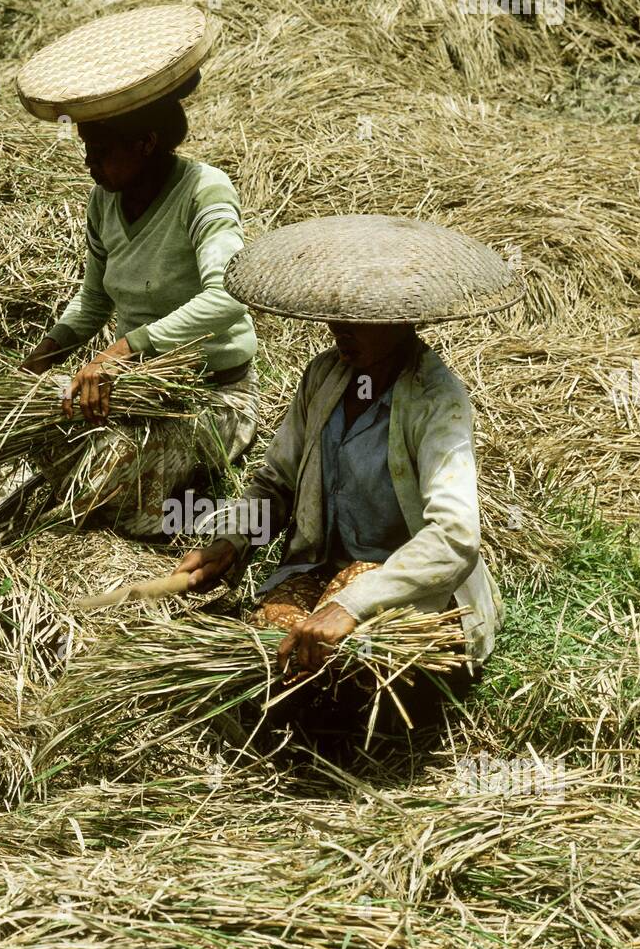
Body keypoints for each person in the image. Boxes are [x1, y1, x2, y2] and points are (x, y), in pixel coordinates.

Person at [173, 214, 523, 690]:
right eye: (338, 312)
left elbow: (455, 536)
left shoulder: (435, 401)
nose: (341, 328)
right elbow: (276, 484)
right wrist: (233, 541)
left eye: (362, 317)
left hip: (404, 587)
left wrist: (351, 604)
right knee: (268, 652)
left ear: (403, 319)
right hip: (323, 570)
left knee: (341, 665)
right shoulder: (325, 377)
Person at [20, 81, 258, 537]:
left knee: (100, 487)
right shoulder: (104, 199)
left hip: (210, 395)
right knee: (42, 432)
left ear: (145, 144)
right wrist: (41, 358)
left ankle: (185, 508)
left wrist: (123, 351)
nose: (89, 163)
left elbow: (229, 294)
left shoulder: (203, 191)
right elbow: (94, 299)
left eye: (101, 150)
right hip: (141, 392)